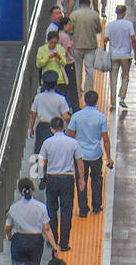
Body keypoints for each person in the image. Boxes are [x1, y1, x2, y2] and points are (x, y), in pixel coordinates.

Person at [5, 178, 57, 265]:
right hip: (36, 241)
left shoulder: (13, 208)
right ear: (32, 190)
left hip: (19, 240)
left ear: (19, 191)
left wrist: (10, 236)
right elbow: (46, 228)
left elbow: (7, 226)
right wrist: (54, 246)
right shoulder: (40, 207)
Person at [68, 90, 113, 218]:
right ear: (96, 101)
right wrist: (108, 157)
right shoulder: (101, 117)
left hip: (80, 156)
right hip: (96, 154)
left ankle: (83, 209)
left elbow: (71, 136)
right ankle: (97, 206)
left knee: (81, 179)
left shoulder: (76, 116)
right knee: (97, 179)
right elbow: (105, 139)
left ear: (85, 100)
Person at [39, 115, 79, 252]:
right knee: (66, 212)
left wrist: (42, 176)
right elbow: (79, 161)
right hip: (67, 179)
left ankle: (53, 240)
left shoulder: (47, 143)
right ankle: (64, 243)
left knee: (51, 210)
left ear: (51, 129)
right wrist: (81, 179)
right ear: (63, 128)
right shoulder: (72, 142)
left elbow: (41, 162)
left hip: (52, 179)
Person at [103, 4, 136, 111]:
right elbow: (133, 39)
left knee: (113, 78)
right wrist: (135, 54)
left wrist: (105, 49)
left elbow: (105, 39)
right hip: (126, 55)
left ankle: (113, 103)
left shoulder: (110, 25)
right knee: (125, 77)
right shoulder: (128, 24)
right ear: (124, 13)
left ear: (116, 12)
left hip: (113, 55)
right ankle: (122, 97)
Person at [29, 70, 70, 156]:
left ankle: (40, 168)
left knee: (40, 152)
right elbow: (66, 117)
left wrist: (31, 127)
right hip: (56, 128)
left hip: (42, 127)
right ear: (55, 84)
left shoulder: (38, 97)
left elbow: (33, 114)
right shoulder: (61, 98)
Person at [68, 0, 102, 95]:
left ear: (80, 4)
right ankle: (88, 91)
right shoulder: (94, 15)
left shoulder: (74, 15)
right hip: (90, 46)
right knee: (89, 69)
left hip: (77, 45)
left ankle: (78, 91)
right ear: (89, 4)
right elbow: (99, 29)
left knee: (77, 69)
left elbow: (70, 30)